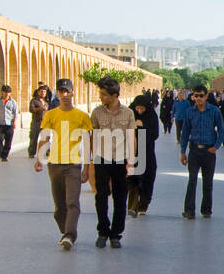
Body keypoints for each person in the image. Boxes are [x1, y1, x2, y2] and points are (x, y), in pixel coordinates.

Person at [33, 78, 92, 250]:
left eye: (68, 91)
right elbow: (44, 137)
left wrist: (87, 168)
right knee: (59, 207)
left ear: (73, 92)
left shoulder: (82, 117)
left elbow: (88, 144)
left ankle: (70, 235)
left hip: (73, 165)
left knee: (72, 202)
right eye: (61, 91)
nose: (64, 95)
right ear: (57, 94)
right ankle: (66, 230)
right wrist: (39, 159)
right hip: (54, 164)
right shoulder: (51, 115)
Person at [89, 75, 136, 249]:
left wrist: (131, 162)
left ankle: (116, 234)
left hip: (121, 161)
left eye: (103, 94)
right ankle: (103, 231)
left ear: (114, 95)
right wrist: (92, 161)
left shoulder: (128, 113)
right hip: (102, 160)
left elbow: (132, 138)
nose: (101, 97)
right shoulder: (97, 112)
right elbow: (93, 136)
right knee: (101, 197)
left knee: (120, 197)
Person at [178, 86, 224, 219]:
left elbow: (222, 131)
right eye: (196, 95)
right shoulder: (189, 112)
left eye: (201, 95)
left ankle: (206, 209)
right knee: (192, 179)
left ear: (206, 96)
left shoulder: (214, 111)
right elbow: (185, 132)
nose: (198, 98)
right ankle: (189, 210)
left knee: (207, 182)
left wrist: (216, 147)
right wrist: (183, 151)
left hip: (209, 151)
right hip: (194, 150)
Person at [128, 93, 160, 217]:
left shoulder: (152, 116)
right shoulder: (130, 115)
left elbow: (155, 135)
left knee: (147, 179)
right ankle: (133, 206)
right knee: (132, 179)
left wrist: (143, 127)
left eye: (142, 109)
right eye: (138, 109)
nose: (140, 111)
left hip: (147, 152)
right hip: (133, 152)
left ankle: (143, 204)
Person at [0, 85, 17, 161]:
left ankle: (4, 156)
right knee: (0, 139)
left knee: (8, 141)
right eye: (5, 92)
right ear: (2, 92)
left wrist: (14, 123)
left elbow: (15, 114)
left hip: (9, 124)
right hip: (0, 124)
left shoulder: (13, 102)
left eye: (8, 92)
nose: (6, 94)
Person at [27, 86, 50, 159]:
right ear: (38, 92)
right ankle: (31, 153)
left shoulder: (46, 102)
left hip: (45, 122)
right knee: (34, 138)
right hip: (36, 122)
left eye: (44, 92)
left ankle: (45, 151)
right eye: (42, 91)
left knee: (46, 138)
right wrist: (40, 108)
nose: (43, 93)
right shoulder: (34, 101)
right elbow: (31, 109)